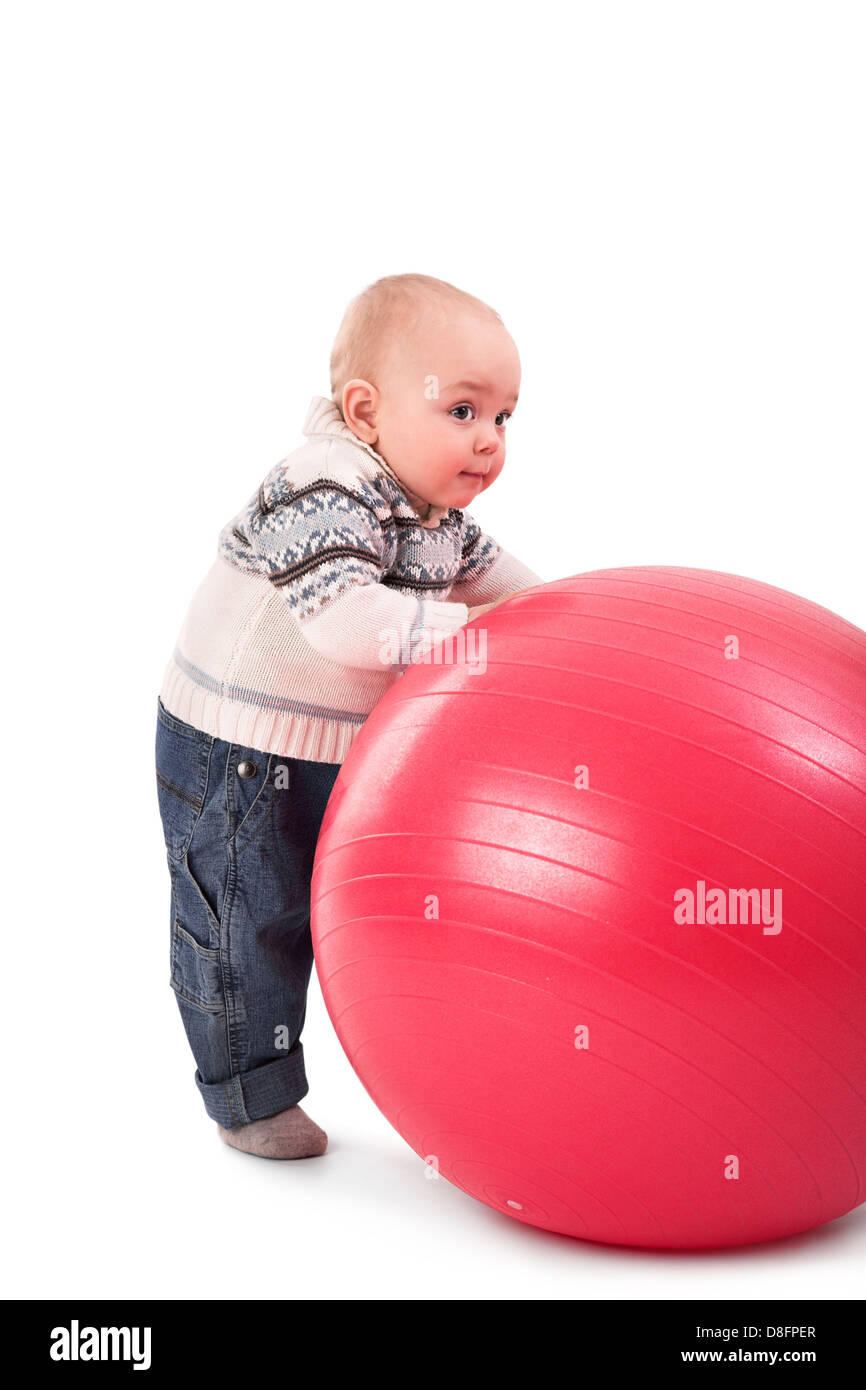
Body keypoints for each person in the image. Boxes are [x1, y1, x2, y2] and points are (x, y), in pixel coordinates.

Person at [154, 273, 544, 1158]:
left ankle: (452, 1078)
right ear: (365, 411)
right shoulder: (320, 485)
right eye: (462, 411)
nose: (488, 441)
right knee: (249, 922)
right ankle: (247, 1094)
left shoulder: (437, 512)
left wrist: (577, 619)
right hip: (237, 752)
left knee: (362, 910)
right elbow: (348, 623)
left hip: (342, 751)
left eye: (505, 418)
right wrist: (476, 633)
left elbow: (514, 589)